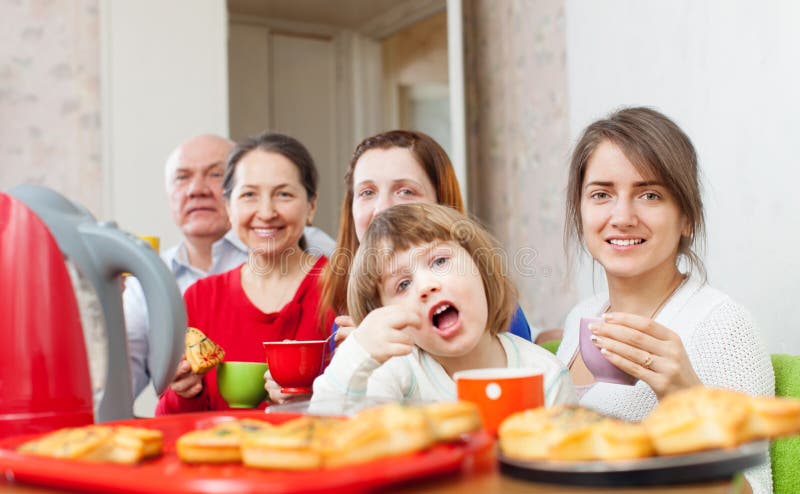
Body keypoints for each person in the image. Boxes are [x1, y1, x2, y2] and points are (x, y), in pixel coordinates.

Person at [555, 107, 774, 492]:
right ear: (581, 212)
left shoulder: (723, 327)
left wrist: (686, 399)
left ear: (687, 217)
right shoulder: (581, 317)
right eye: (601, 194)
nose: (621, 216)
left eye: (650, 194)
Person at [124, 134, 335, 398]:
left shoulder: (344, 290)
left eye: (283, 194)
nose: (267, 212)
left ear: (311, 206)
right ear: (229, 207)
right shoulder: (200, 298)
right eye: (249, 195)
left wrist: (316, 399)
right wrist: (183, 393)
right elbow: (171, 414)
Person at [313, 203, 574, 404]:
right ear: (386, 316)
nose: (426, 286)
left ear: (480, 267)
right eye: (403, 284)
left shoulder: (547, 376)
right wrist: (358, 353)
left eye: (439, 261)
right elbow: (328, 430)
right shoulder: (397, 371)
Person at [320, 130, 534, 343]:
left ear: (441, 204)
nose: (382, 209)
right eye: (367, 192)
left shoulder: (494, 310)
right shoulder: (345, 320)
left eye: (405, 191)